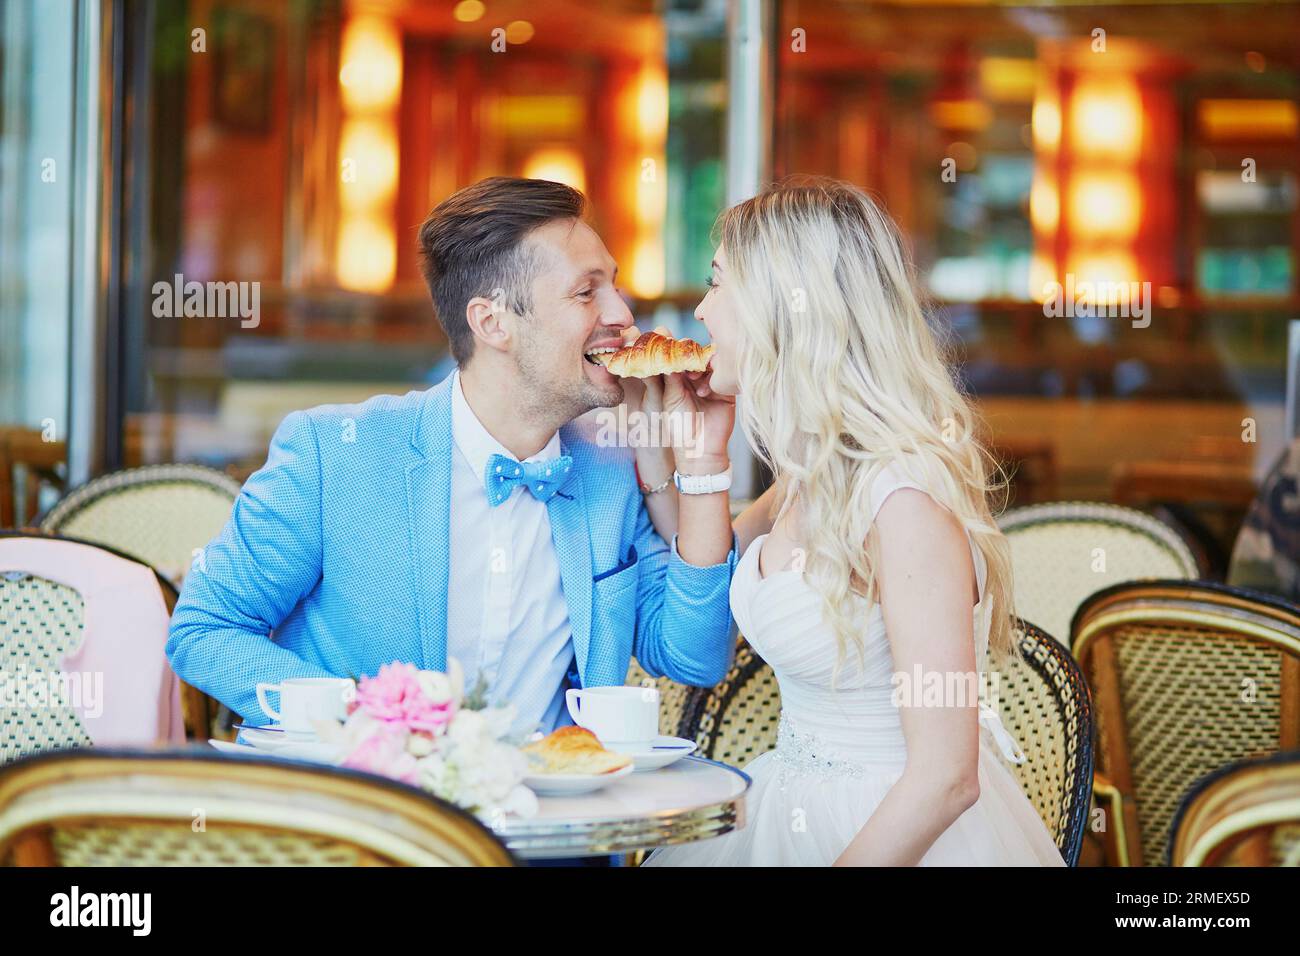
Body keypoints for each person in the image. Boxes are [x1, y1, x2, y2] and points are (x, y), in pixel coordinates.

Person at [167, 177, 739, 741]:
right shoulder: (331, 455)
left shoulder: (608, 470)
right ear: (492, 322)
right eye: (587, 292)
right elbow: (204, 629)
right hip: (372, 817)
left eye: (614, 287)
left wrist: (703, 458)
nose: (622, 315)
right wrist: (367, 721)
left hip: (554, 820)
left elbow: (694, 656)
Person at [644, 178, 1063, 866]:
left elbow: (947, 778)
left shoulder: (902, 500)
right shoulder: (807, 482)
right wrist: (698, 454)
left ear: (783, 305)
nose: (701, 309)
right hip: (785, 803)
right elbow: (694, 589)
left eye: (719, 284)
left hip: (896, 829)